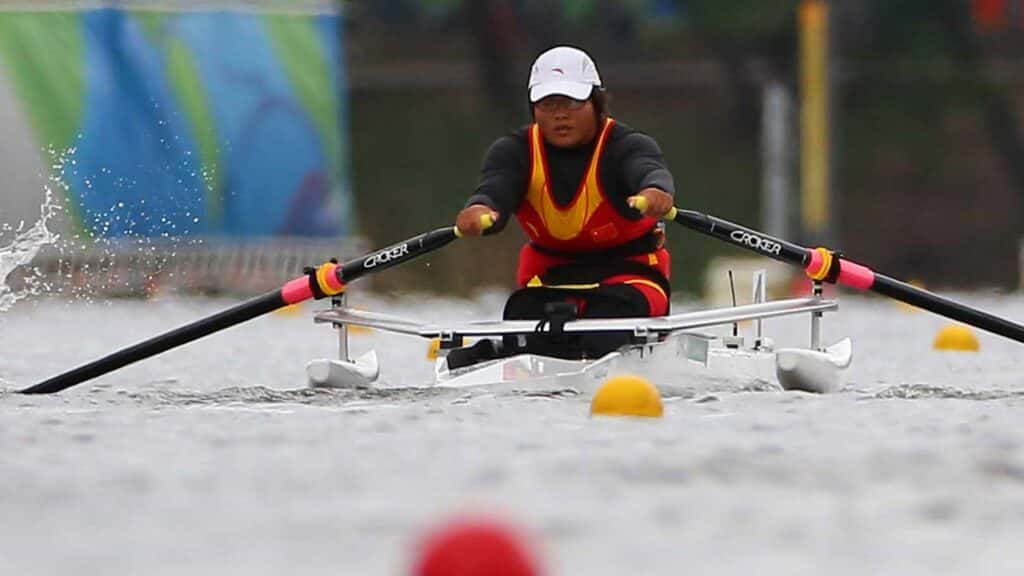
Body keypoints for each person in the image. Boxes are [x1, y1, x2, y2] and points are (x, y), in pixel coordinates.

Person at [454, 45, 676, 360]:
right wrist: (479, 208)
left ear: (596, 102)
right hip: (551, 279)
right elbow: (495, 188)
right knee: (520, 312)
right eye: (548, 104)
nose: (560, 114)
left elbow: (649, 171)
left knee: (607, 317)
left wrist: (655, 192)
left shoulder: (626, 146)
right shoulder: (513, 151)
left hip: (631, 277)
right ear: (533, 108)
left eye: (572, 101)